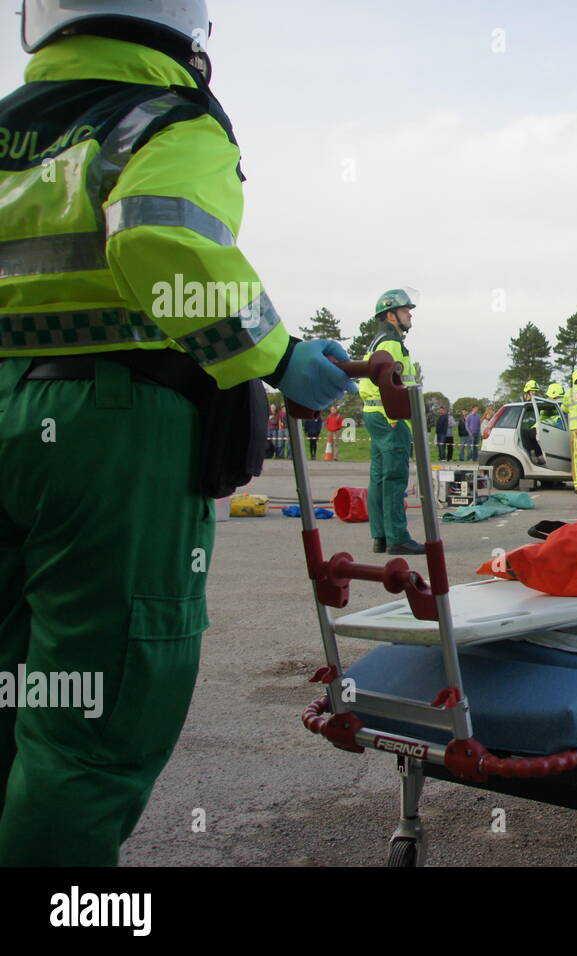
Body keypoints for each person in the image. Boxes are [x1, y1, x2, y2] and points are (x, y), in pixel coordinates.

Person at [0, 0, 354, 865]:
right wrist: (277, 355)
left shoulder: (12, 131)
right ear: (184, 30)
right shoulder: (164, 119)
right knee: (90, 725)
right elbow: (159, 237)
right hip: (106, 433)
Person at [360, 288, 422, 556]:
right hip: (390, 416)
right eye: (405, 310)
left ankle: (381, 537)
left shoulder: (378, 341)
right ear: (391, 314)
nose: (410, 315)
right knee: (395, 477)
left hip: (375, 414)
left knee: (379, 478)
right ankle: (398, 537)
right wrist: (395, 416)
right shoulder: (392, 343)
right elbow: (389, 382)